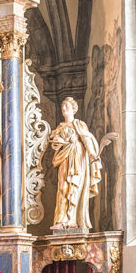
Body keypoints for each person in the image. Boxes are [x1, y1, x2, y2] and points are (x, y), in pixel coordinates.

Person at [49, 97, 102, 231]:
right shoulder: (59, 128)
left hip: (77, 159)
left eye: (66, 106)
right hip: (64, 160)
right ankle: (61, 220)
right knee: (63, 188)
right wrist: (59, 141)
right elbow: (54, 144)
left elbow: (86, 139)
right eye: (62, 106)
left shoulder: (79, 124)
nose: (64, 108)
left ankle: (72, 220)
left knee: (74, 187)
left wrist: (91, 153)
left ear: (74, 109)